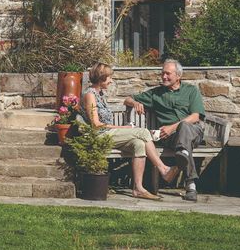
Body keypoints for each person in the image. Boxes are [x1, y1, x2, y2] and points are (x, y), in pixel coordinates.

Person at [81, 63, 175, 201]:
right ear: (101, 78)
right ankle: (164, 170)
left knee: (138, 143)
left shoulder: (100, 94)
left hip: (107, 133)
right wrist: (125, 128)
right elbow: (96, 125)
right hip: (98, 135)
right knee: (142, 132)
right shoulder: (90, 95)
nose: (111, 80)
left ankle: (138, 188)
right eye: (109, 77)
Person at [125, 58, 205, 201]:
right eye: (162, 73)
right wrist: (135, 102)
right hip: (171, 139)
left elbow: (195, 116)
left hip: (193, 132)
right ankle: (190, 182)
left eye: (168, 74)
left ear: (178, 76)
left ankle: (183, 154)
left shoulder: (191, 91)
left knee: (184, 127)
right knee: (183, 146)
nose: (163, 77)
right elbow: (127, 99)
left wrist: (173, 127)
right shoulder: (156, 94)